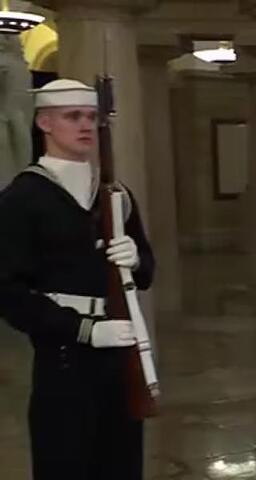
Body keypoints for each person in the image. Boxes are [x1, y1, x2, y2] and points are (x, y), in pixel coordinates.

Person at [0, 78, 155, 480]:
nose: (86, 126)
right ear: (45, 123)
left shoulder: (115, 193)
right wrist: (84, 330)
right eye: (73, 117)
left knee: (122, 463)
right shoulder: (22, 199)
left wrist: (135, 259)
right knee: (66, 461)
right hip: (64, 357)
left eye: (92, 117)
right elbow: (9, 293)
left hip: (120, 350)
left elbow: (148, 272)